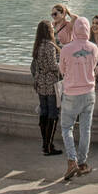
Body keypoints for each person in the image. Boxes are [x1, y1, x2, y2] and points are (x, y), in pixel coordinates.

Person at [57, 15, 98, 180]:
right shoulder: (94, 48)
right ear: (88, 29)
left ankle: (72, 161)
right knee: (85, 129)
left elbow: (62, 69)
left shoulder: (66, 48)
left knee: (67, 128)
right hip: (89, 93)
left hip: (71, 93)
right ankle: (82, 163)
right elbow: (94, 66)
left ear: (74, 30)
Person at [30, 20, 62, 155]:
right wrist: (62, 67)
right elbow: (52, 66)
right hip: (50, 83)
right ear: (49, 31)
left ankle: (44, 143)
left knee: (43, 112)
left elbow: (37, 66)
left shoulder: (37, 46)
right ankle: (49, 146)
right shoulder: (49, 46)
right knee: (53, 114)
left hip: (40, 83)